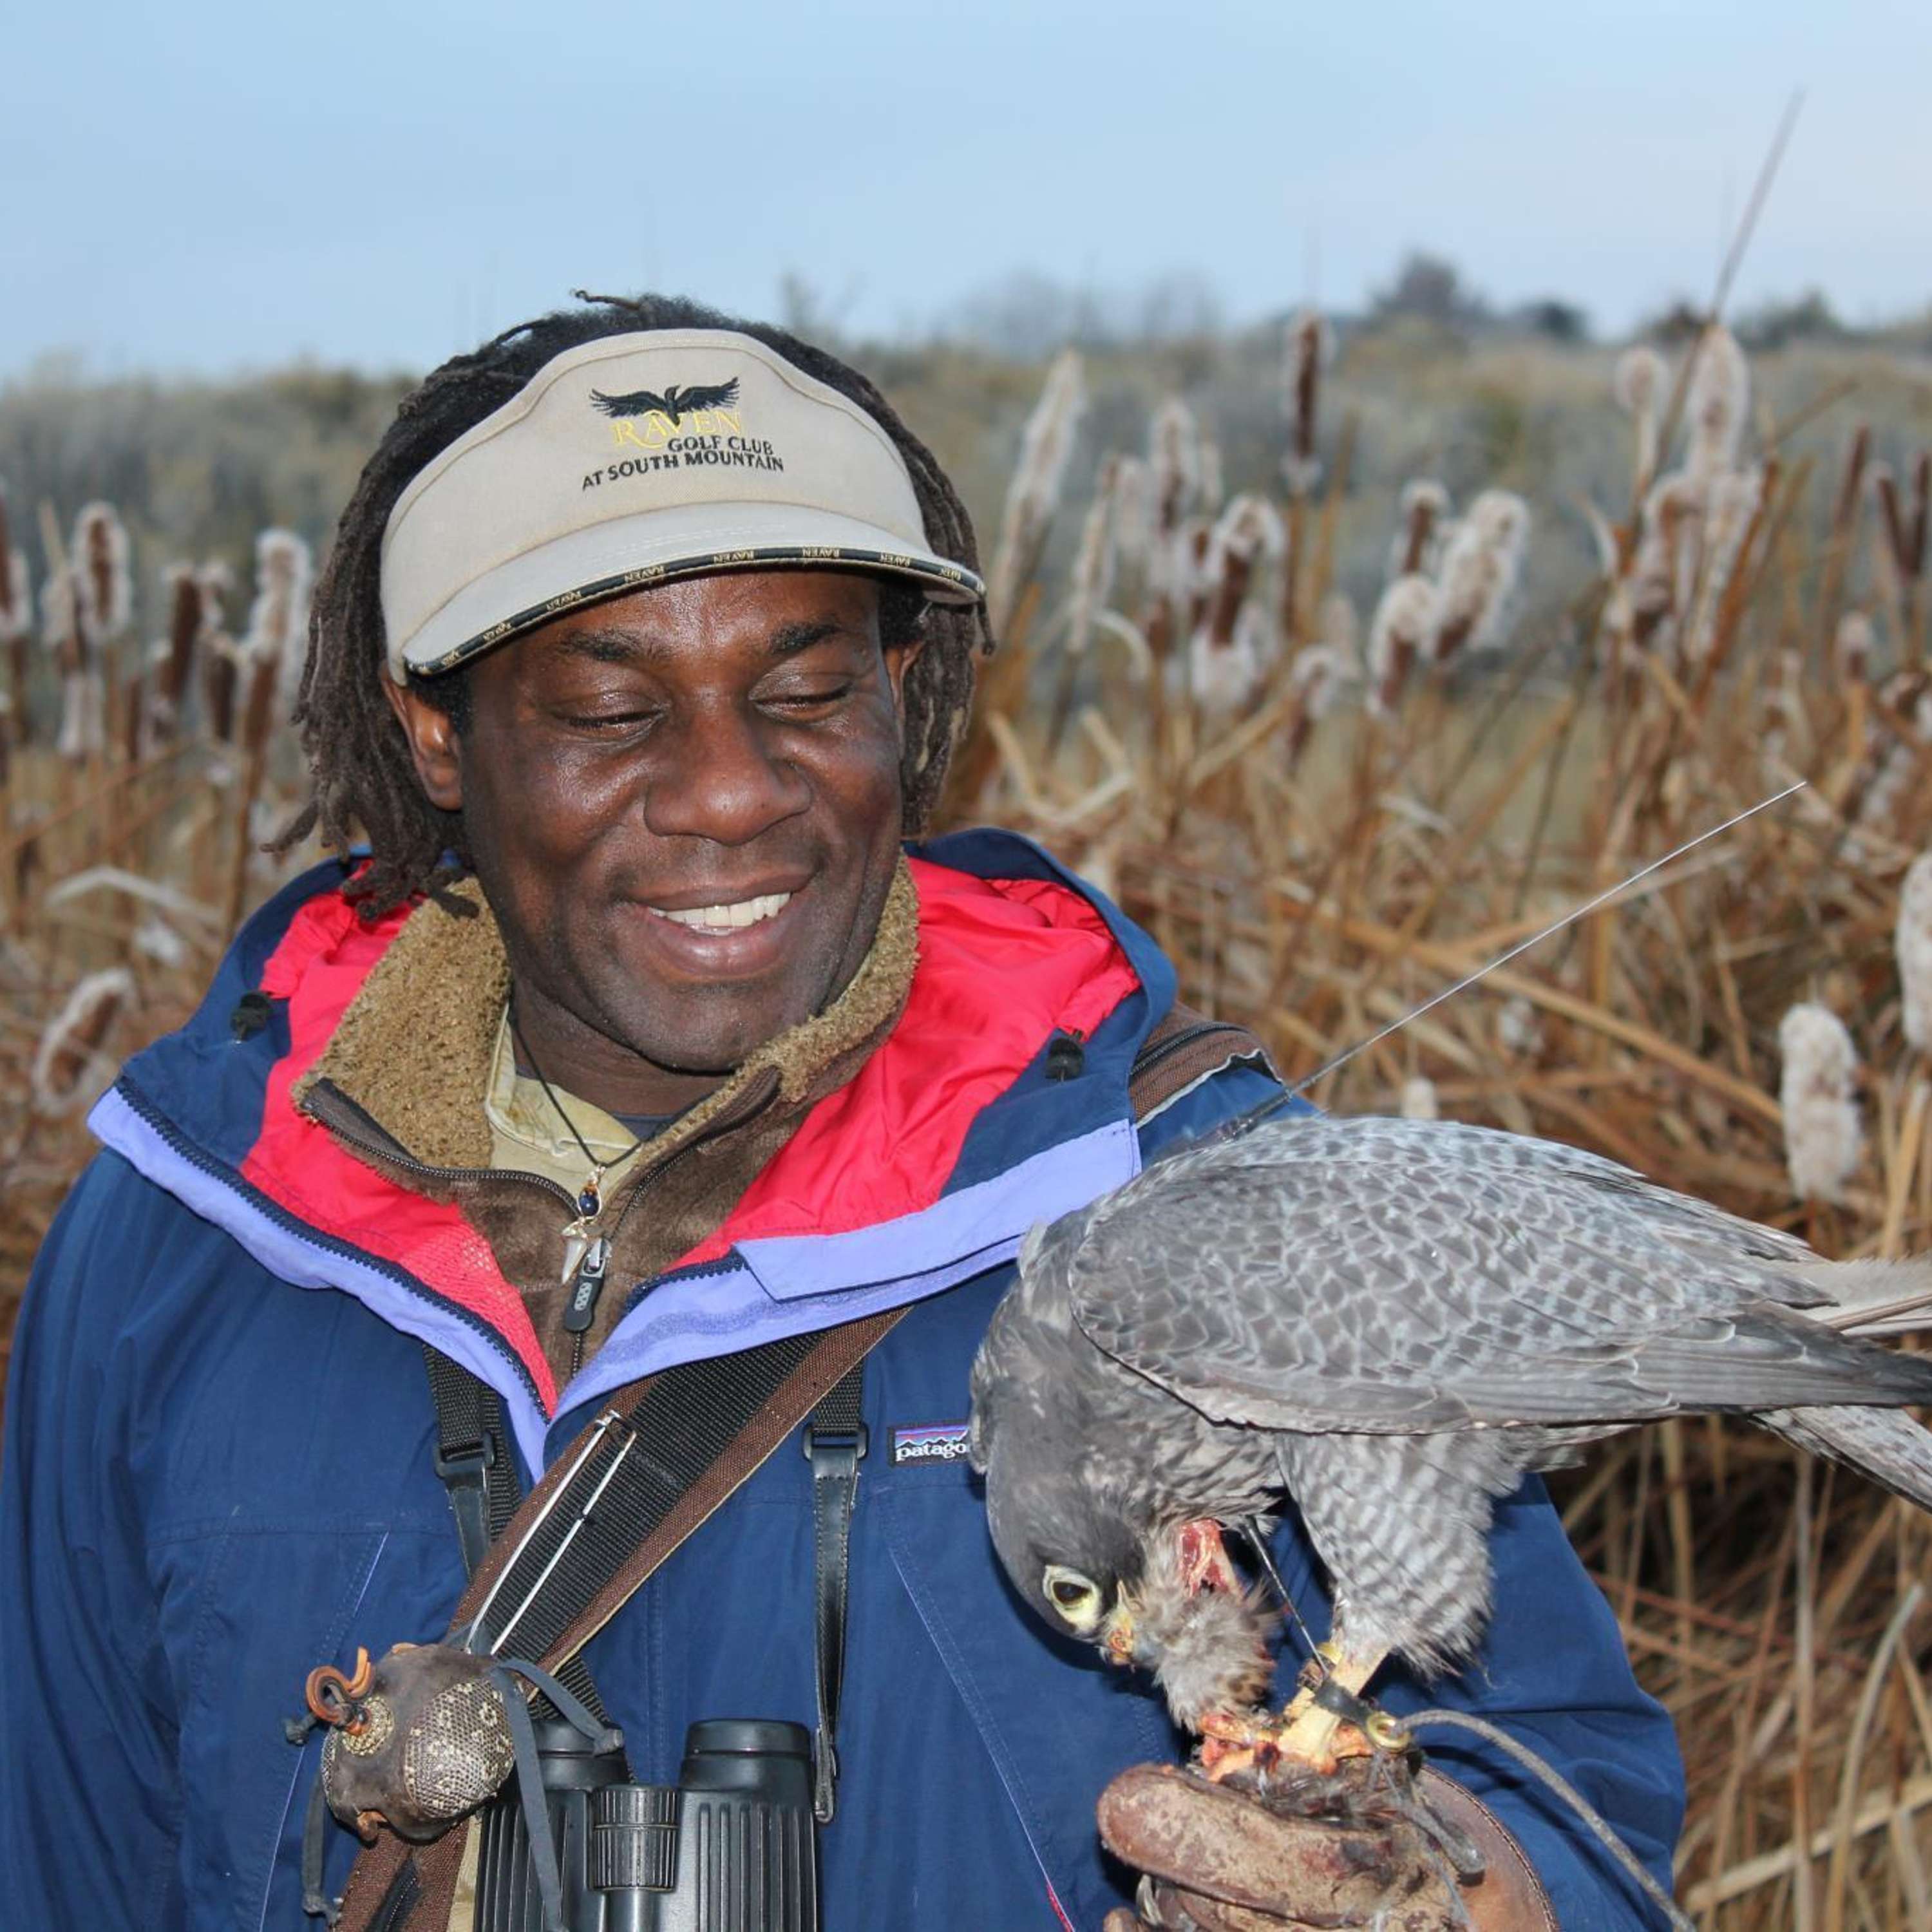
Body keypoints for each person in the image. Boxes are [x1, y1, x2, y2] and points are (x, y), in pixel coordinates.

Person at [0, 293, 1683, 1929]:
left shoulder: (1185, 1194)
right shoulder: (179, 1245)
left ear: (905, 690)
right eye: (608, 712)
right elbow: (58, 1847)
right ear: (434, 730)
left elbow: (1565, 1791)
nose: (731, 791)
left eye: (809, 694)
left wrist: (1457, 1879)